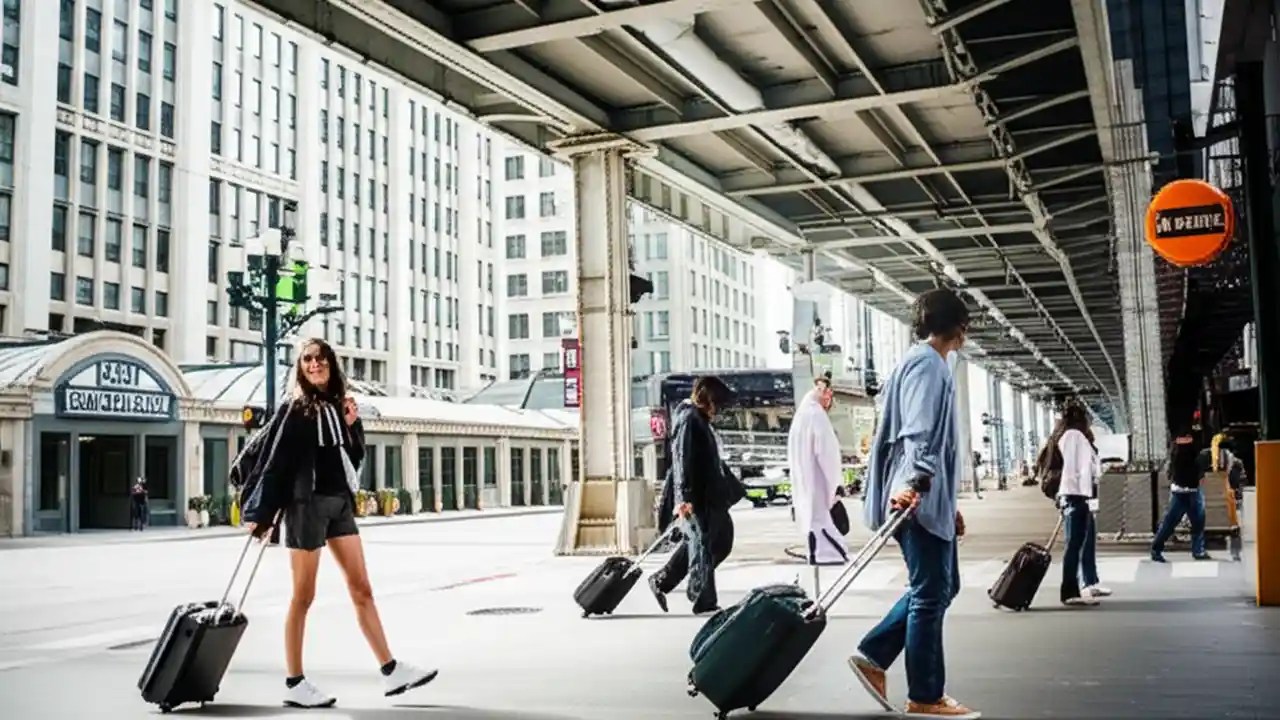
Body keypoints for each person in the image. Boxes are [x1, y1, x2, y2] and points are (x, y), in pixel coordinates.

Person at [241, 338, 437, 709]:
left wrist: (352, 424)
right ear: (301, 367)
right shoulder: (294, 409)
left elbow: (353, 457)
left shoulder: (338, 406)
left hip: (339, 504)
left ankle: (391, 669)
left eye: (321, 358)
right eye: (308, 360)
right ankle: (294, 682)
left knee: (362, 588)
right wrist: (259, 515)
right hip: (307, 506)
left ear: (331, 364)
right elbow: (275, 463)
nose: (315, 364)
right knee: (303, 596)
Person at [846, 288, 978, 719]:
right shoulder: (927, 364)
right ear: (955, 326)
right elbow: (918, 435)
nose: (966, 332)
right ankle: (925, 694)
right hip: (913, 497)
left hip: (924, 497)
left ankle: (873, 655)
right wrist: (915, 487)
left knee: (942, 587)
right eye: (964, 324)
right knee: (929, 593)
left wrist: (944, 500)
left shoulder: (924, 361)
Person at [647, 375, 736, 615]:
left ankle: (663, 580)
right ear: (707, 399)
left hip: (710, 495)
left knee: (716, 541)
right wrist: (683, 498)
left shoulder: (699, 420)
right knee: (704, 544)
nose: (717, 409)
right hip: (697, 496)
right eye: (716, 403)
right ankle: (702, 597)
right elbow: (681, 460)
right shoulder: (688, 419)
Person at [1053, 403, 1110, 606]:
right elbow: (1077, 468)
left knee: (1082, 542)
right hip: (1076, 495)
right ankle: (1069, 591)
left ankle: (1087, 583)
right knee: (1074, 545)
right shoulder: (1073, 436)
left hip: (1078, 495)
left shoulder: (1071, 436)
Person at [788, 376, 848, 566]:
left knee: (812, 520)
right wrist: (837, 486)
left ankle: (816, 551)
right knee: (822, 521)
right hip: (818, 483)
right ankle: (827, 553)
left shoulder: (800, 417)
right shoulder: (816, 416)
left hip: (805, 482)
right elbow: (827, 454)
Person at [1150, 429, 1213, 563]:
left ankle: (1156, 549)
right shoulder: (1194, 451)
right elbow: (1199, 469)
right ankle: (1198, 550)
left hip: (1181, 491)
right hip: (1190, 491)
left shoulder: (1176, 452)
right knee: (1196, 523)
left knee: (1171, 523)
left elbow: (1173, 472)